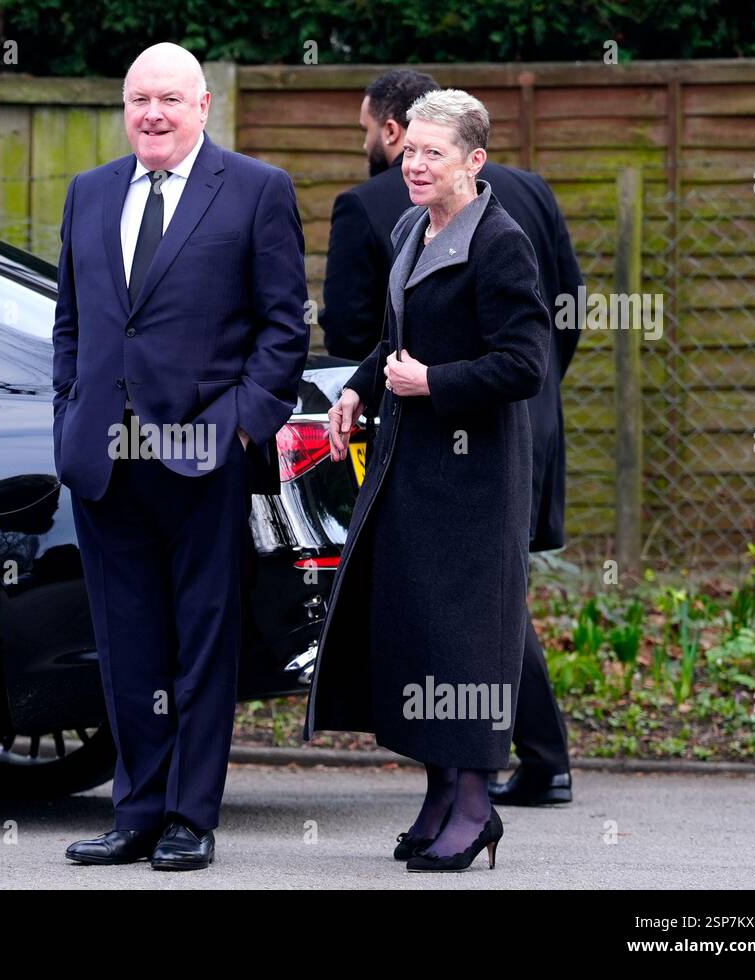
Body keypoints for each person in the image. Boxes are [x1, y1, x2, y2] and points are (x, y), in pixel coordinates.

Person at [52, 42, 309, 870]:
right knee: (127, 646)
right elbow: (73, 323)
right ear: (123, 108)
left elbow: (283, 329)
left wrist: (239, 426)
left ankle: (191, 817)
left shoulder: (257, 190)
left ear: (204, 106)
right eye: (138, 99)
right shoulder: (89, 193)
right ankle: (136, 811)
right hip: (104, 462)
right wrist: (68, 415)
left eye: (169, 98)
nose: (152, 114)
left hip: (204, 457)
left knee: (202, 645)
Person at [304, 89, 550, 871]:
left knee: (466, 643)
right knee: (418, 635)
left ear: (473, 163)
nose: (412, 164)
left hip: (476, 485)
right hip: (409, 469)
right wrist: (358, 389)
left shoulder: (501, 243)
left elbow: (525, 364)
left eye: (431, 154)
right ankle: (441, 794)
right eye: (408, 149)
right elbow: (393, 340)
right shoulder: (412, 226)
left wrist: (433, 384)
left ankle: (476, 806)